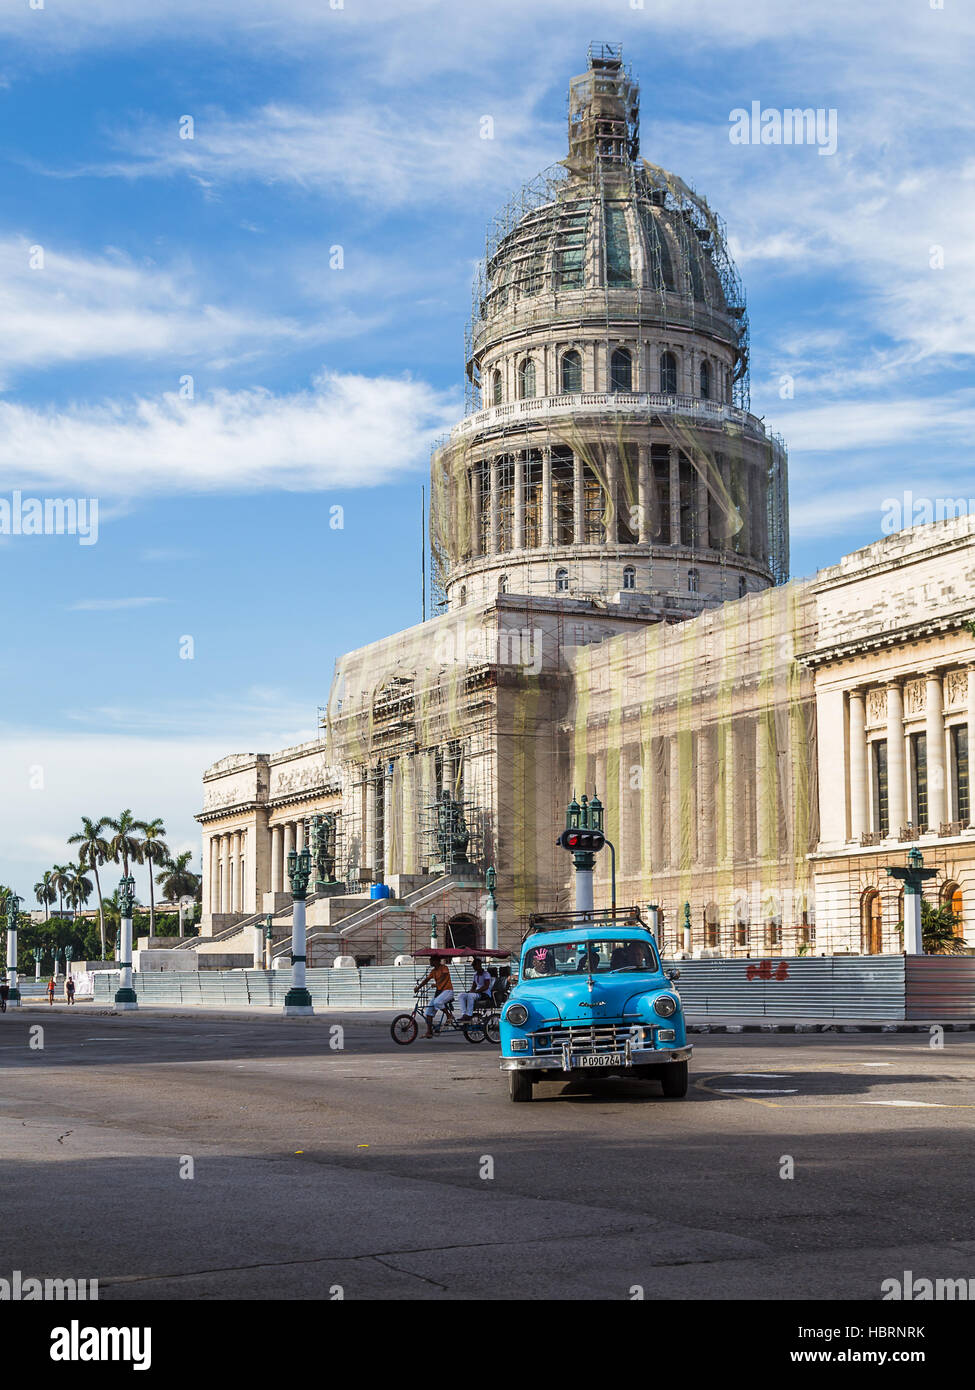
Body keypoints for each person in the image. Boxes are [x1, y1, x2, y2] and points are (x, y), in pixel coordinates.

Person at [416, 954, 454, 1038]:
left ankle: (449, 1016)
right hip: (439, 992)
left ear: (436, 961)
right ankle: (429, 1032)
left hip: (448, 991)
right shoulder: (433, 971)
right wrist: (418, 987)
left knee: (437, 1002)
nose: (430, 962)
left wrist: (436, 984)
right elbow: (426, 980)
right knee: (428, 1012)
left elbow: (444, 977)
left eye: (431, 960)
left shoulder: (444, 968)